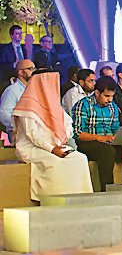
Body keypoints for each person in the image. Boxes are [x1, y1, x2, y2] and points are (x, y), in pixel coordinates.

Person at [12, 69, 93, 200]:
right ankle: (54, 200)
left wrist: (61, 141)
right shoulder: (27, 105)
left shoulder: (54, 104)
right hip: (32, 148)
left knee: (80, 158)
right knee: (56, 164)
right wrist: (52, 149)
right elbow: (33, 135)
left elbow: (67, 123)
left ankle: (80, 200)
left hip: (55, 146)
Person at [72, 75, 120, 191]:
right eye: (107, 96)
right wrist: (101, 138)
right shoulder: (83, 105)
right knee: (107, 152)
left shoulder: (112, 107)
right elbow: (78, 133)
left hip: (108, 141)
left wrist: (115, 137)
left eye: (112, 96)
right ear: (97, 93)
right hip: (88, 143)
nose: (110, 100)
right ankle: (107, 189)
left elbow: (116, 129)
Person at [0, 59, 35, 131]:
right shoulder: (12, 90)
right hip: (17, 132)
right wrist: (21, 124)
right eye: (30, 69)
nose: (33, 72)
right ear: (21, 72)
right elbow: (4, 115)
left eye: (34, 69)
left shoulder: (35, 90)